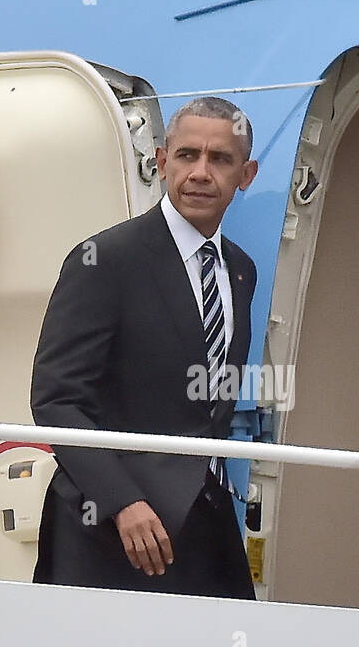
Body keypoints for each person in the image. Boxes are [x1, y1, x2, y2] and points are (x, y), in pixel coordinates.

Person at [30, 96, 259, 598]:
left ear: (246, 175)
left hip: (205, 519)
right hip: (109, 532)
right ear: (160, 163)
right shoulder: (104, 261)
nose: (200, 172)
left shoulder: (241, 271)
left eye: (220, 159)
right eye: (186, 156)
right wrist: (122, 503)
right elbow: (57, 400)